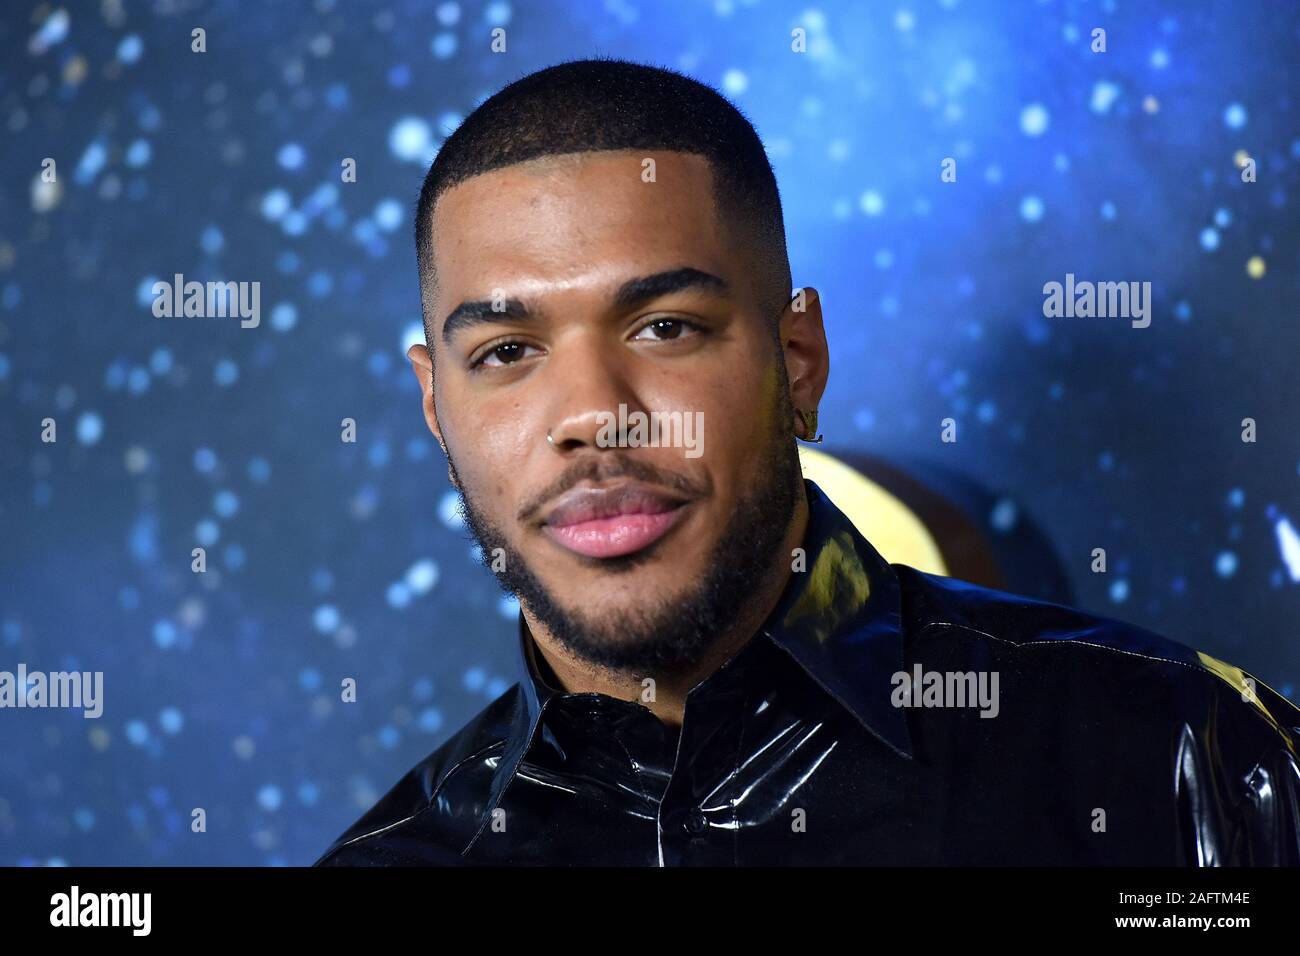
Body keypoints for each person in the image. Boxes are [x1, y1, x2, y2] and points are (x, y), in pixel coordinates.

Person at [315, 58, 1299, 866]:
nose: (593, 416)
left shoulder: (1181, 757)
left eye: (664, 326)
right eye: (506, 353)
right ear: (437, 407)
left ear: (798, 362)